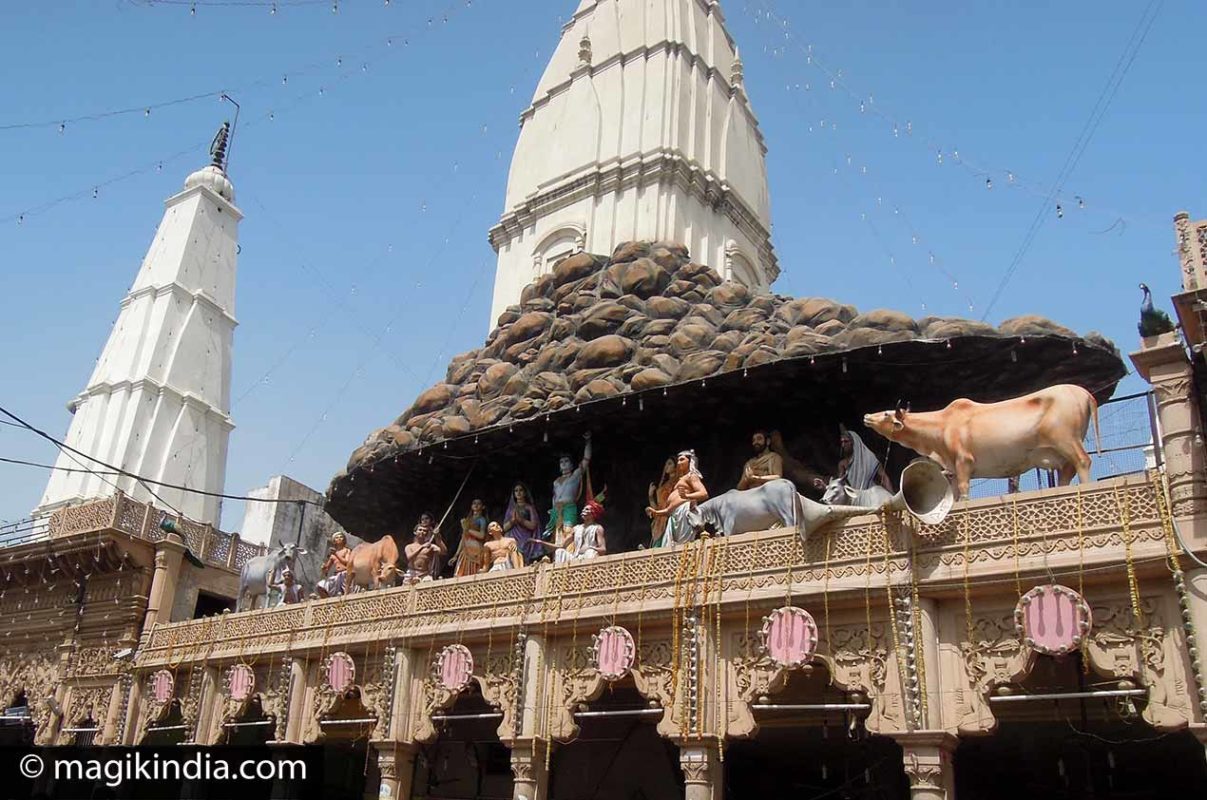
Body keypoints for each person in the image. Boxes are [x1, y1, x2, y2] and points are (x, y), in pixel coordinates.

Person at [646, 450, 709, 547]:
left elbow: (704, 493)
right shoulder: (681, 479)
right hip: (673, 516)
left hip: (683, 513)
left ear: (689, 461)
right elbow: (668, 509)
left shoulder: (691, 476)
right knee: (668, 547)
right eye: (678, 460)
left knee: (683, 546)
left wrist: (687, 496)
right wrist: (656, 512)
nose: (679, 462)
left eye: (682, 459)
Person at [546, 432, 592, 540]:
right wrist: (552, 509)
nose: (563, 463)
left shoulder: (575, 476)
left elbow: (586, 459)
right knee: (556, 534)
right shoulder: (556, 481)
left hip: (569, 507)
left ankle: (569, 553)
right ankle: (558, 555)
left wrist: (588, 441)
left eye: (566, 461)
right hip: (556, 510)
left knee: (568, 531)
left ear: (572, 464)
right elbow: (554, 497)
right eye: (561, 461)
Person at [538, 500, 607, 564]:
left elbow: (603, 549)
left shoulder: (597, 528)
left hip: (589, 556)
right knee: (560, 551)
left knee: (590, 552)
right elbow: (562, 546)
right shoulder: (576, 528)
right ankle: (559, 575)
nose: (583, 510)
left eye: (587, 509)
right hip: (575, 557)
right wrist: (540, 542)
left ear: (593, 513)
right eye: (583, 509)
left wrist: (591, 548)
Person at [838, 425, 892, 492]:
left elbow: (884, 477)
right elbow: (840, 483)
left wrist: (891, 495)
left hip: (870, 494)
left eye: (846, 441)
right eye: (842, 442)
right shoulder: (843, 464)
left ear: (854, 442)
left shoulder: (870, 458)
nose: (843, 445)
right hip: (853, 496)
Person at [502, 483, 542, 563]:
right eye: (516, 491)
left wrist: (521, 520)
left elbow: (533, 525)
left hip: (525, 537)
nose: (518, 492)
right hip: (512, 536)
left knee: (522, 556)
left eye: (521, 490)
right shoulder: (511, 509)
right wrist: (512, 521)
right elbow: (504, 528)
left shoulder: (529, 508)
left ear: (525, 493)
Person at [403, 513, 447, 585]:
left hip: (424, 574)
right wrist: (422, 546)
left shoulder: (431, 543)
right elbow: (409, 557)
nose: (422, 532)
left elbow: (444, 551)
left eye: (424, 531)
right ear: (415, 532)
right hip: (411, 573)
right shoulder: (409, 546)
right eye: (420, 530)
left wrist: (437, 537)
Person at [452, 499, 489, 578]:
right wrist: (456, 555)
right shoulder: (467, 520)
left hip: (476, 549)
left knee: (473, 571)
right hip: (465, 549)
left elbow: (482, 535)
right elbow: (463, 538)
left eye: (478, 503)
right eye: (474, 503)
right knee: (461, 572)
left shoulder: (481, 520)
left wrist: (467, 529)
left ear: (483, 507)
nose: (476, 505)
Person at [647, 457, 676, 548]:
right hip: (659, 521)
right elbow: (657, 509)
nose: (666, 466)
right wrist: (651, 496)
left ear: (676, 466)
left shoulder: (678, 482)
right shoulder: (663, 485)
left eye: (670, 463)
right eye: (666, 464)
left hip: (670, 517)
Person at [316, 531, 352, 598]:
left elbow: (347, 562)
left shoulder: (347, 550)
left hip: (345, 574)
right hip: (336, 576)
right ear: (334, 541)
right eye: (337, 537)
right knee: (320, 585)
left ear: (344, 539)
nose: (339, 538)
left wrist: (336, 554)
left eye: (341, 537)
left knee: (345, 588)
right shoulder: (332, 556)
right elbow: (326, 570)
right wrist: (324, 568)